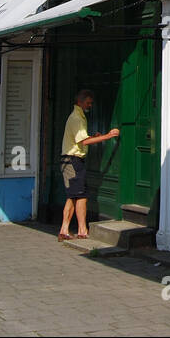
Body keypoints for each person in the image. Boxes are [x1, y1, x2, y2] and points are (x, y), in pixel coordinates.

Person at [59, 89, 119, 241]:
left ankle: (66, 230)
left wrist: (94, 137)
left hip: (72, 161)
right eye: (88, 102)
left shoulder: (78, 116)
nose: (90, 105)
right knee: (80, 196)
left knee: (74, 196)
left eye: (91, 103)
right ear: (80, 102)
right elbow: (83, 141)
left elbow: (81, 139)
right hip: (73, 161)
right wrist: (108, 136)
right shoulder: (77, 119)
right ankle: (81, 230)